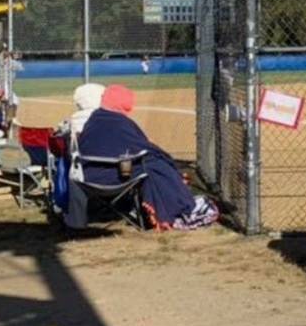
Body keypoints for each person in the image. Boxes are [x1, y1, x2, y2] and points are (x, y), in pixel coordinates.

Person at [74, 85, 218, 230]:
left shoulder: (93, 120)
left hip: (88, 175)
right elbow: (143, 148)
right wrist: (168, 160)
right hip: (114, 177)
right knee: (156, 165)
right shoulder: (121, 124)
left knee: (153, 163)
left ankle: (178, 203)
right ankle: (179, 210)